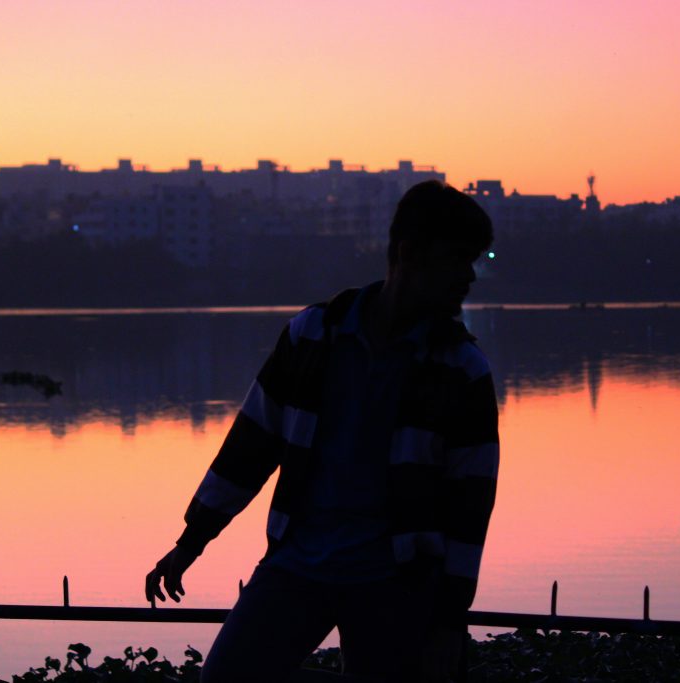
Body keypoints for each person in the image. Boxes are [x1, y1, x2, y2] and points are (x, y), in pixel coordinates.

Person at [145, 180, 499, 682]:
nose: (469, 276)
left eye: (473, 260)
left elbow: (471, 510)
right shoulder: (310, 337)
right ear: (409, 254)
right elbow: (251, 445)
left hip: (397, 582)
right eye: (457, 260)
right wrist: (192, 540)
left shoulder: (463, 369)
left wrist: (447, 623)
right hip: (297, 566)